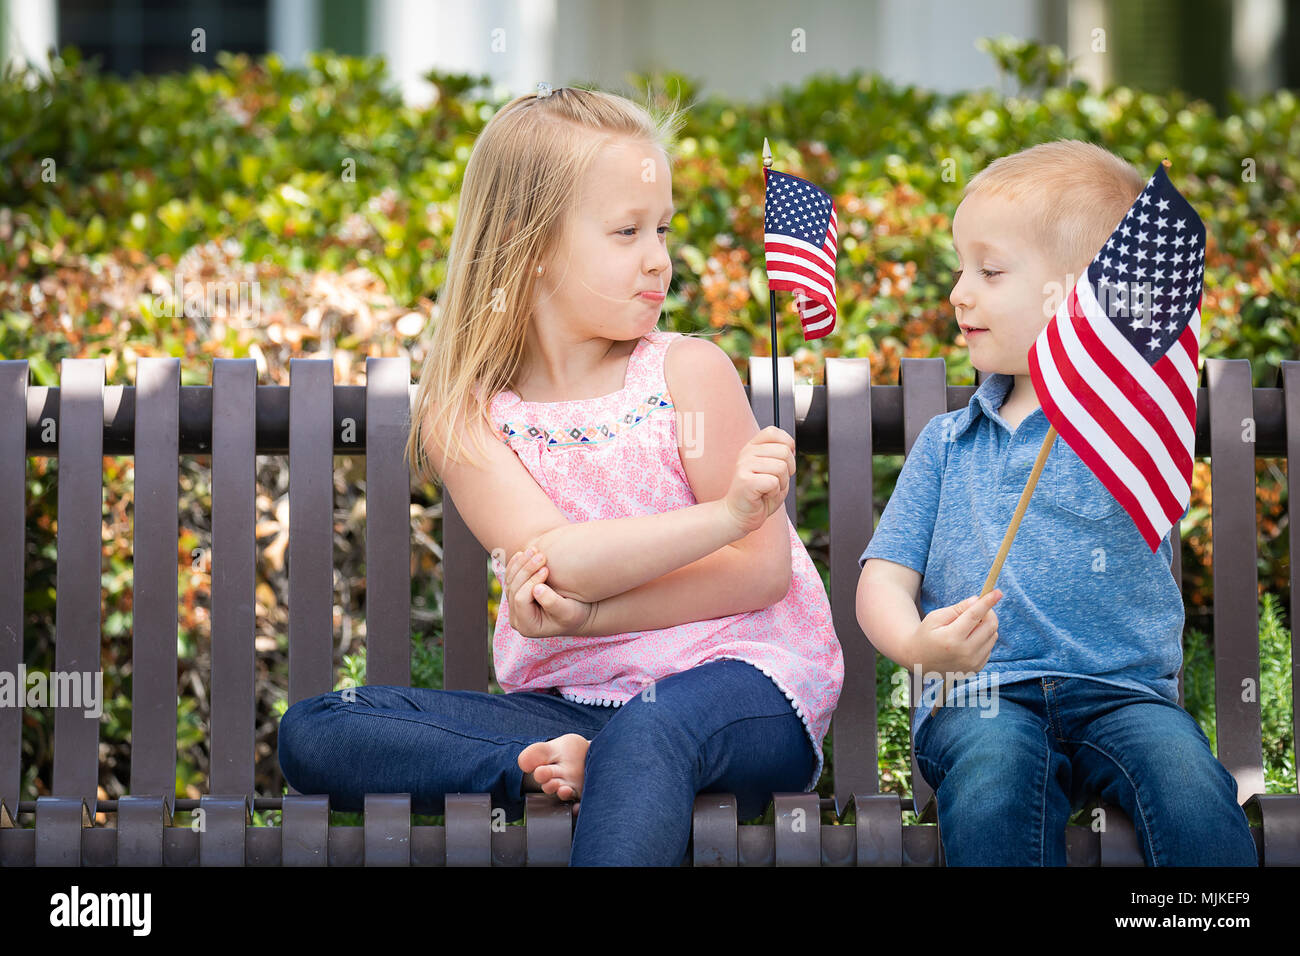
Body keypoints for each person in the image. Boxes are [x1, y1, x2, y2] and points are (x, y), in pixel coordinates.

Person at [277, 83, 844, 866]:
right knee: (319, 728)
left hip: (738, 689)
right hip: (568, 708)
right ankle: (549, 769)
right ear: (529, 244)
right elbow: (555, 567)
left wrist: (590, 613)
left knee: (652, 730)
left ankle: (610, 762)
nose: (659, 258)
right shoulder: (465, 416)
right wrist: (718, 521)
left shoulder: (687, 373)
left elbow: (758, 573)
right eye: (626, 231)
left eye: (662, 229)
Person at [855, 139, 1258, 866]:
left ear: (1079, 298)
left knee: (1192, 790)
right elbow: (883, 577)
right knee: (995, 781)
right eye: (960, 267)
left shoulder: (1129, 436)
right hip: (984, 694)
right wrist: (918, 646)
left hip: (1123, 692)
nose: (958, 292)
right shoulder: (949, 443)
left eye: (990, 270)